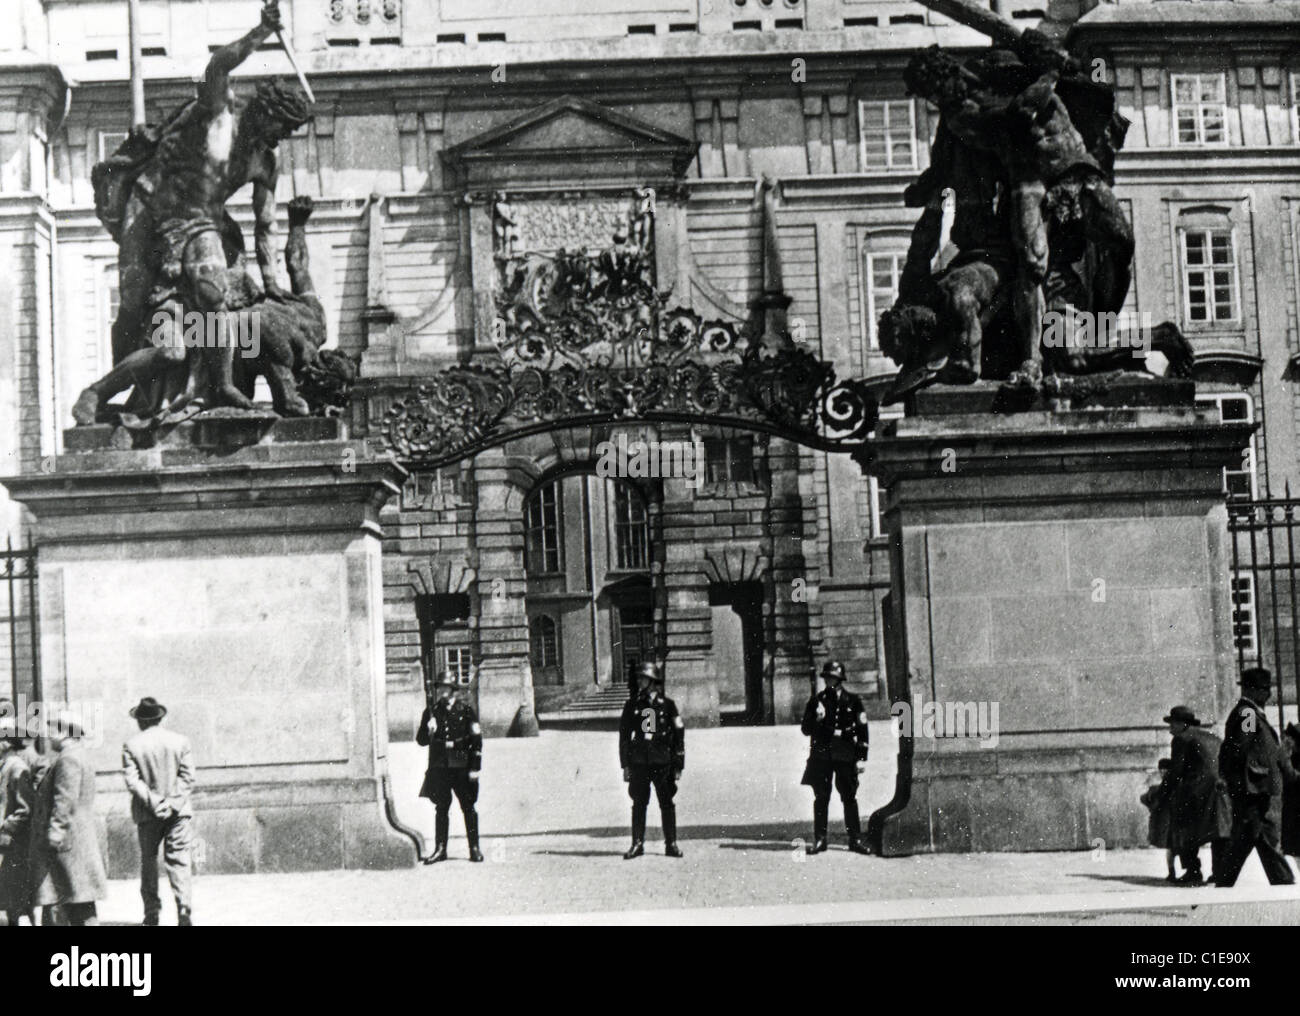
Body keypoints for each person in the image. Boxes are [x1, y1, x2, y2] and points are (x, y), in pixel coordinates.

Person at [73, 0, 312, 422]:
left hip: (205, 224)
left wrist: (272, 280)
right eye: (283, 128)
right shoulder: (220, 116)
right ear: (267, 112)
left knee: (215, 293)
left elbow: (266, 225)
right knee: (132, 307)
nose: (282, 138)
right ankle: (104, 392)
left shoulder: (265, 162)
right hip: (153, 215)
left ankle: (219, 384)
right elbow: (217, 66)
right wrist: (259, 33)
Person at [1215, 667, 1297, 887]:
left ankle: (1282, 880)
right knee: (1251, 835)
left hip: (1259, 788)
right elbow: (1241, 747)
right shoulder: (1248, 713)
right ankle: (1281, 881)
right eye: (1264, 689)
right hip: (1253, 788)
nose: (1268, 694)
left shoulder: (1252, 712)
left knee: (1256, 836)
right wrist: (1250, 777)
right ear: (1252, 690)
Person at [29, 712, 108, 926]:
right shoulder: (79, 755)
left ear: (65, 731)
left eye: (53, 729)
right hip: (76, 840)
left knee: (76, 902)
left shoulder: (68, 759)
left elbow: (65, 800)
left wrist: (54, 834)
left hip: (68, 843)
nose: (48, 736)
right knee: (78, 901)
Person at [122, 697, 196, 926]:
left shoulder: (132, 745)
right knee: (179, 860)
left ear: (140, 721)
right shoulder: (180, 741)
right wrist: (172, 803)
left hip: (148, 813)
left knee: (149, 862)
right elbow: (188, 777)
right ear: (160, 718)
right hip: (178, 813)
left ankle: (151, 913)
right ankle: (184, 907)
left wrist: (155, 803)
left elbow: (133, 781)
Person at [801, 660, 871, 855]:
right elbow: (805, 729)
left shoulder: (853, 701)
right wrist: (817, 718)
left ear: (840, 679)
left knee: (849, 796)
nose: (829, 681)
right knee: (821, 797)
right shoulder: (817, 701)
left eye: (833, 678)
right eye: (827, 677)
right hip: (822, 756)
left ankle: (855, 838)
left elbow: (863, 731)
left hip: (845, 755)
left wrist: (862, 757)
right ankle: (820, 839)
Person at [1156, 706, 1231, 886]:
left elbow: (1176, 772)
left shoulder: (1181, 739)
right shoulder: (1212, 737)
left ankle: (1193, 872)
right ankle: (1219, 872)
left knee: (1183, 828)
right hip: (1221, 790)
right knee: (1219, 832)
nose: (1170, 729)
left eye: (1172, 724)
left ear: (1182, 724)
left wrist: (1162, 795)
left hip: (1197, 792)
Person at [618, 661, 685, 859]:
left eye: (643, 678)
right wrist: (625, 765)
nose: (639, 681)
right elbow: (624, 737)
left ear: (653, 680)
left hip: (662, 762)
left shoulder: (667, 705)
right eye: (638, 678)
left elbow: (679, 735)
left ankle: (671, 844)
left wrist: (678, 764)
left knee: (666, 802)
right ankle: (637, 843)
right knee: (639, 802)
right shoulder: (632, 705)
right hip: (639, 762)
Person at [416, 672, 483, 864]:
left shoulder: (465, 710)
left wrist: (474, 768)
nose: (442, 691)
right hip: (439, 765)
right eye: (440, 688)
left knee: (468, 806)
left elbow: (477, 741)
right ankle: (441, 848)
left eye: (446, 688)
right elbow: (421, 741)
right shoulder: (431, 711)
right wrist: (427, 730)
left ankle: (474, 847)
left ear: (453, 690)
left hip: (460, 761)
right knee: (442, 807)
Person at [0, 721, 35, 926]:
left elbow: (25, 809)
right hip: (5, 842)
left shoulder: (17, 768)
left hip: (11, 842)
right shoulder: (5, 765)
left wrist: (5, 826)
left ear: (6, 742)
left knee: (15, 898)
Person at [1139, 758, 1176, 882]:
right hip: (1173, 822)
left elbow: (1147, 799)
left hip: (1170, 822)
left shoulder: (1161, 786)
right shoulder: (1173, 783)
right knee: (1173, 848)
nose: (1163, 772)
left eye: (1164, 770)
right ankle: (1174, 872)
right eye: (1162, 770)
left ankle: (1172, 872)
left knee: (1171, 849)